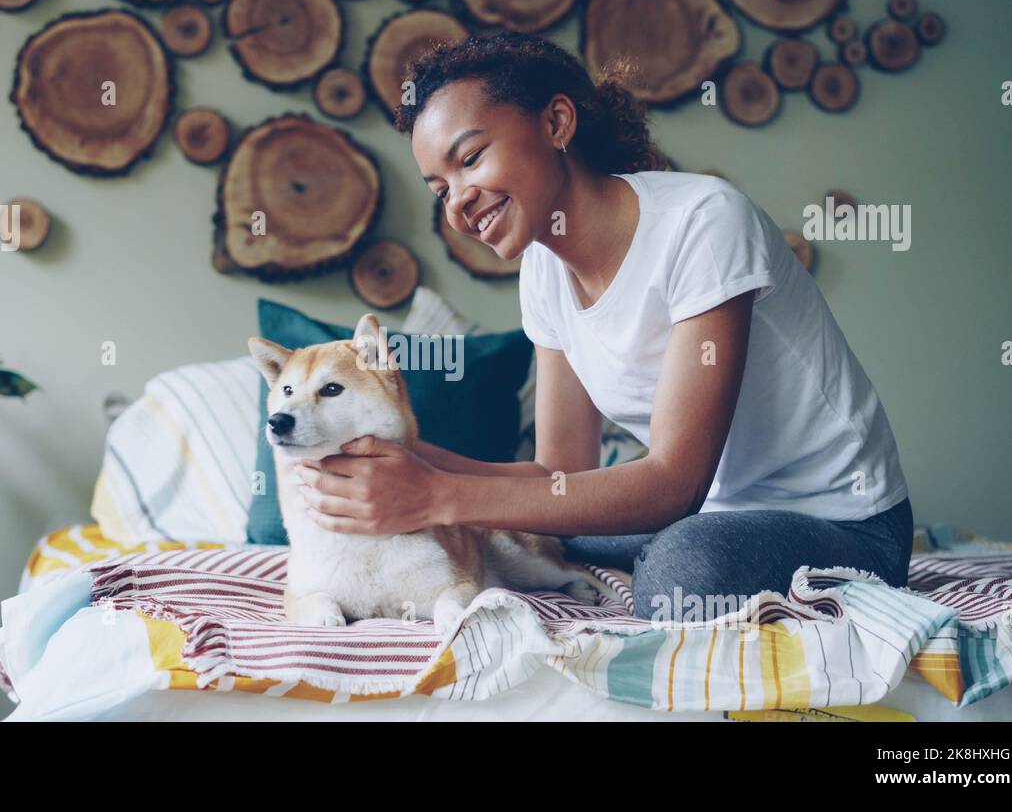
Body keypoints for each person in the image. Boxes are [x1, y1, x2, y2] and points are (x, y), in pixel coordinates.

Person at [291, 32, 912, 622]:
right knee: (554, 525)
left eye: (471, 159)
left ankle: (658, 559)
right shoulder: (543, 268)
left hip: (845, 522)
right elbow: (559, 473)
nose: (457, 202)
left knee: (678, 574)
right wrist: (395, 453)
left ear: (557, 123)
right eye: (439, 189)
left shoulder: (704, 222)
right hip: (718, 511)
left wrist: (437, 498)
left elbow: (673, 484)